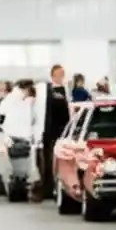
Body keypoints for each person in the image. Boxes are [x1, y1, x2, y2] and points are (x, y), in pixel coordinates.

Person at [35, 65, 71, 202]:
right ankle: (48, 189)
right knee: (49, 161)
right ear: (52, 75)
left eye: (62, 73)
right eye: (58, 74)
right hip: (49, 132)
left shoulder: (66, 90)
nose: (60, 76)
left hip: (64, 132)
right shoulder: (46, 91)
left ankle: (60, 187)